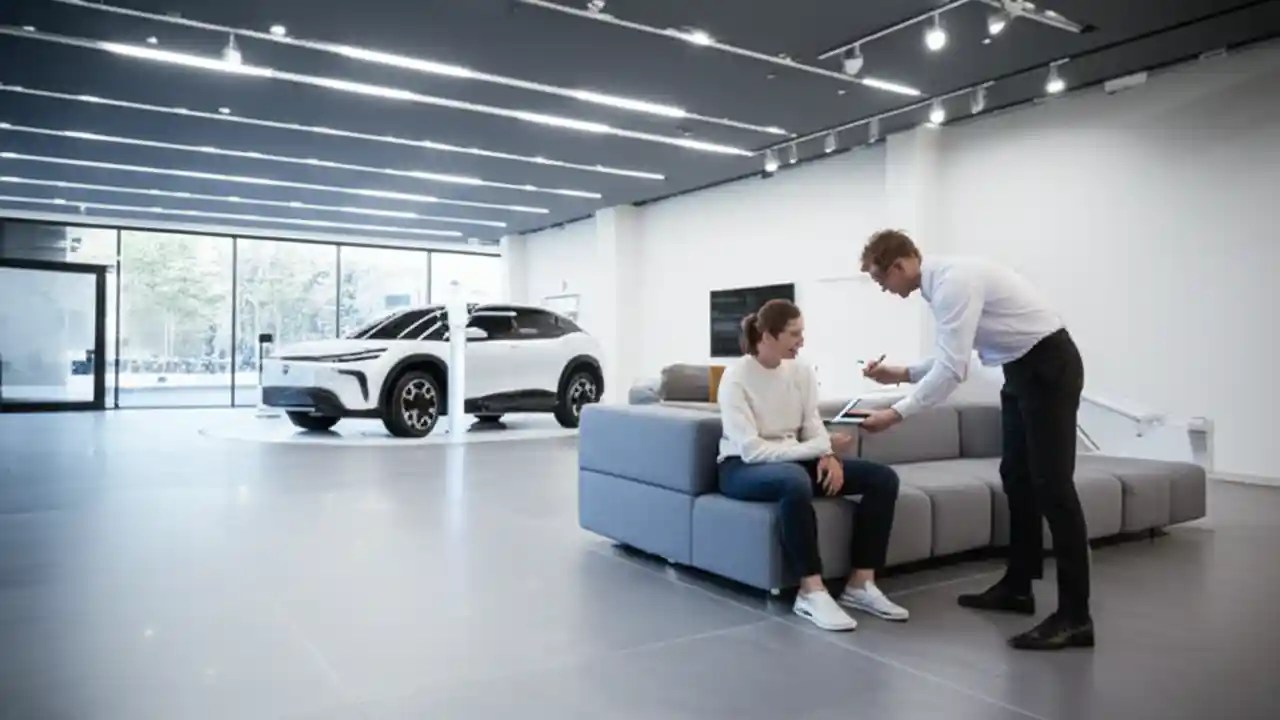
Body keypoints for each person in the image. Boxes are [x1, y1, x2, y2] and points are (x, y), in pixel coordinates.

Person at [856, 229, 1093, 651]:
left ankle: (1076, 617)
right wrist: (901, 373)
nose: (883, 289)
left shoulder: (954, 283)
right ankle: (1018, 586)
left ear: (900, 266)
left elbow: (952, 370)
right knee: (1016, 476)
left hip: (1048, 367)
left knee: (1054, 488)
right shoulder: (942, 284)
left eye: (881, 280)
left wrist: (896, 414)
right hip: (1021, 370)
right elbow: (954, 351)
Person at [717, 298, 908, 631]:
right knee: (794, 481)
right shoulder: (736, 378)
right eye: (794, 334)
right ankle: (810, 591)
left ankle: (861, 584)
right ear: (768, 336)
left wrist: (826, 455)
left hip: (794, 459)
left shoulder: (801, 371)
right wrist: (819, 449)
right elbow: (751, 450)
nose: (801, 341)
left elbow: (812, 423)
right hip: (741, 468)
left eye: (801, 333)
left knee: (882, 478)